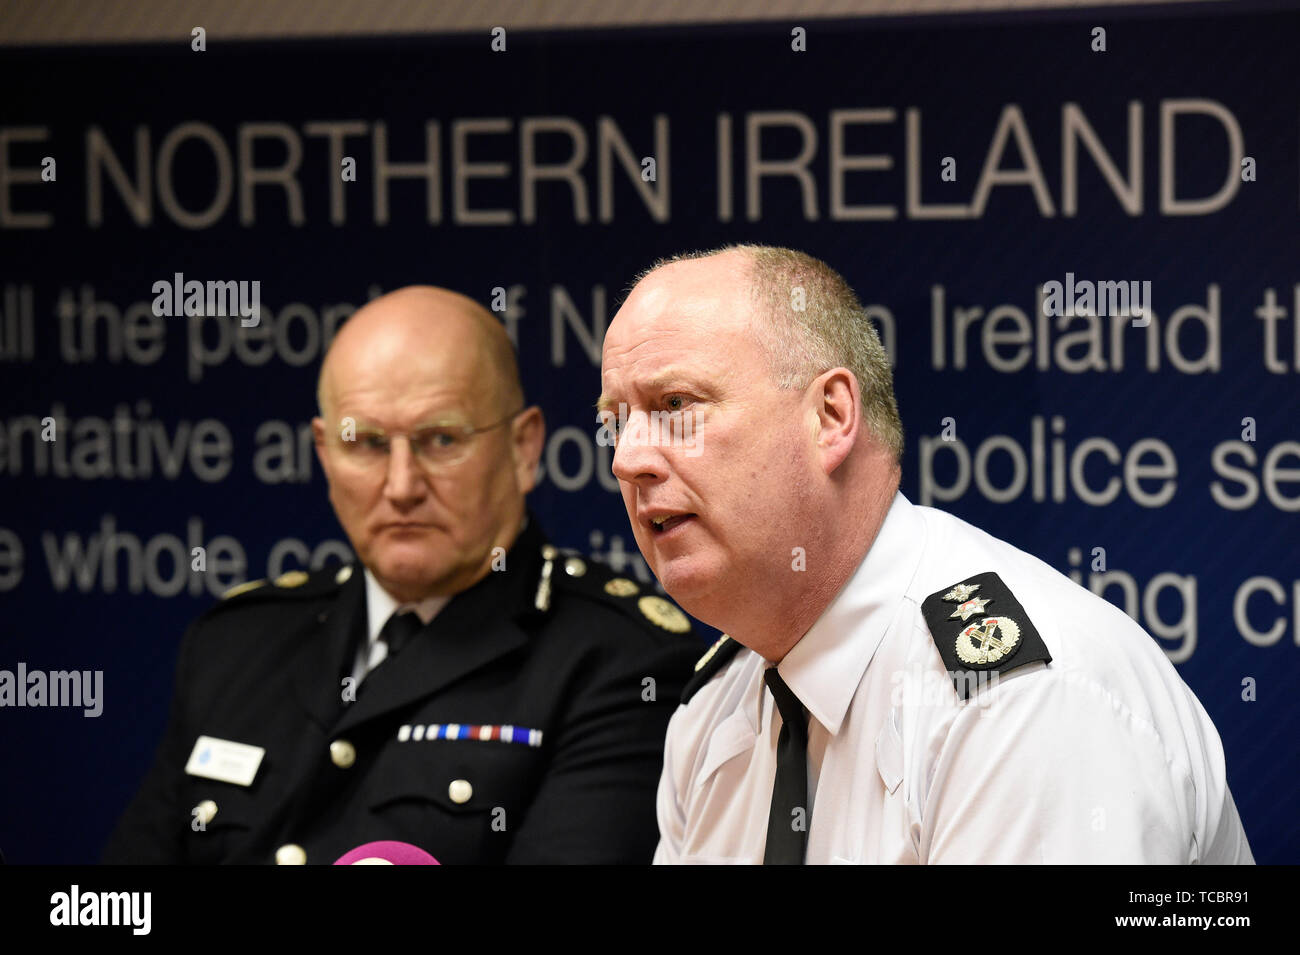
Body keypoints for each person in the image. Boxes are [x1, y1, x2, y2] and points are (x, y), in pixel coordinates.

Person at [598, 245, 1254, 864]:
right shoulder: (714, 710)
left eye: (676, 406)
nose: (627, 458)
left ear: (828, 415)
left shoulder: (1018, 699)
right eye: (615, 421)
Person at [105, 285, 700, 865]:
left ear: (523, 448)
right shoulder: (237, 643)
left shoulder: (618, 660)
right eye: (363, 443)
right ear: (323, 454)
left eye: (440, 440)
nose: (400, 486)